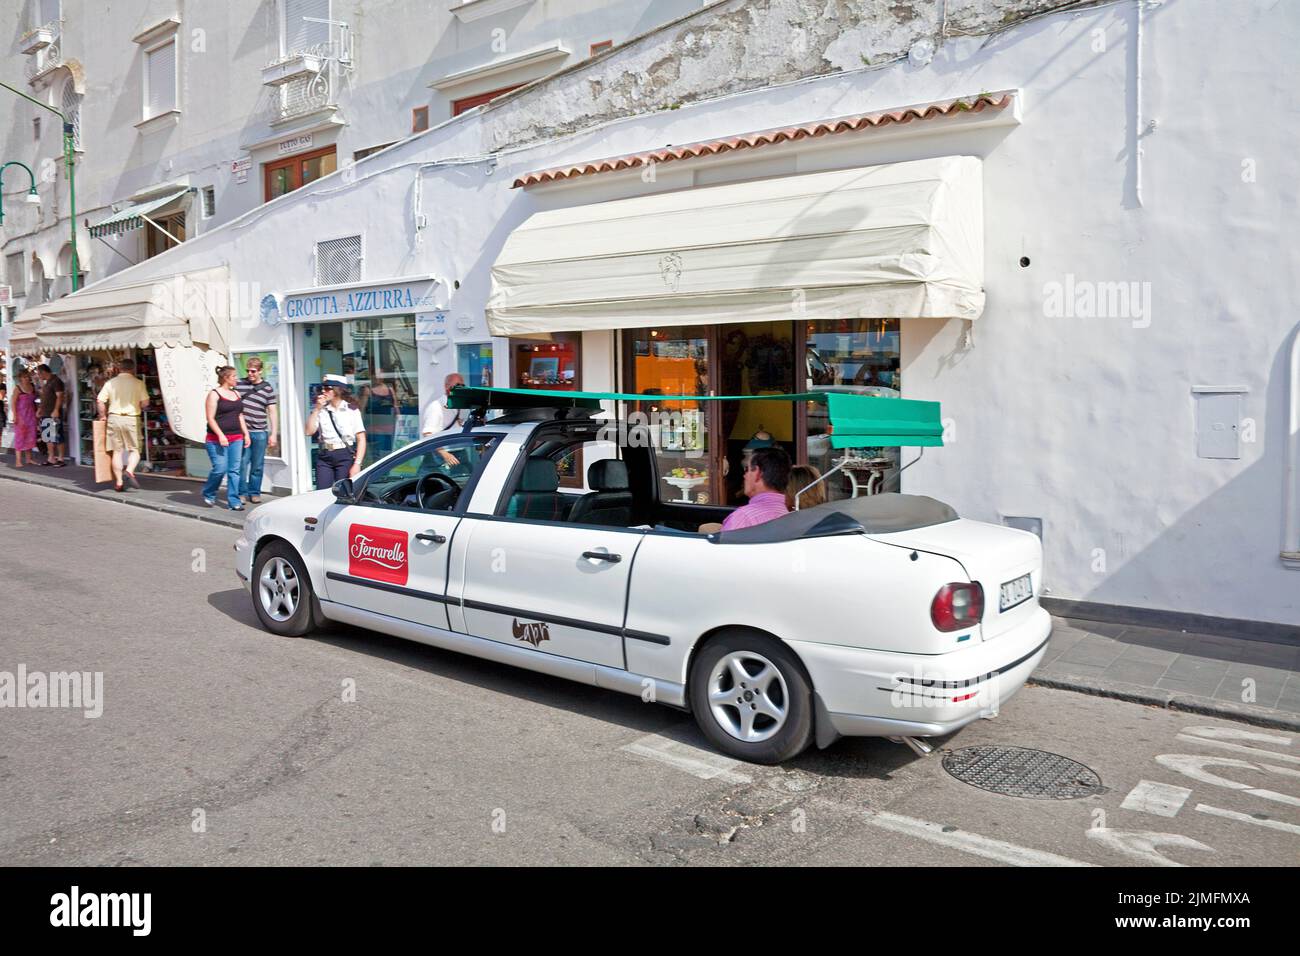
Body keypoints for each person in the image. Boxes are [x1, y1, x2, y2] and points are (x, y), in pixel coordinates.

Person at [96, 358, 149, 492]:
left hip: (114, 418)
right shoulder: (138, 383)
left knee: (117, 452)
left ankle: (119, 482)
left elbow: (100, 401)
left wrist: (103, 416)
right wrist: (138, 404)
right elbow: (145, 403)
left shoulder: (110, 383)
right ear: (132, 369)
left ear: (120, 369)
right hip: (132, 418)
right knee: (135, 449)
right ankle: (130, 471)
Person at [202, 365, 250, 510]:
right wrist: (221, 435)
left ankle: (234, 501)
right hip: (215, 439)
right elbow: (210, 418)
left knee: (234, 470)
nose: (237, 379)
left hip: (236, 437)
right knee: (220, 468)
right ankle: (209, 493)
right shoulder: (214, 394)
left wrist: (246, 434)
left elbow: (240, 415)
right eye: (234, 376)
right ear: (225, 378)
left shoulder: (237, 394)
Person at [306, 374, 367, 488]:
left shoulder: (351, 409)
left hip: (344, 454)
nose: (323, 391)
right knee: (321, 492)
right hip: (324, 454)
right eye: (322, 388)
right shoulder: (321, 409)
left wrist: (357, 464)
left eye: (327, 388)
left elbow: (361, 439)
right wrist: (316, 409)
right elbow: (308, 432)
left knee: (343, 492)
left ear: (337, 390)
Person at [235, 357, 278, 505]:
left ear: (260, 371)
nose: (250, 374)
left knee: (257, 465)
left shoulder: (267, 388)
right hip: (242, 432)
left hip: (260, 432)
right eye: (248, 370)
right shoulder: (239, 384)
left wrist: (273, 433)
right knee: (242, 464)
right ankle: (241, 493)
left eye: (253, 371)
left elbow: (272, 411)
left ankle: (254, 492)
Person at [719, 445, 792, 532]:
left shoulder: (743, 519)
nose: (744, 475)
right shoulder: (791, 518)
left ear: (758, 473)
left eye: (747, 469)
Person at [35, 364, 67, 467]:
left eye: (39, 373)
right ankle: (51, 458)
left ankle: (61, 458)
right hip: (46, 413)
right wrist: (40, 409)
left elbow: (60, 396)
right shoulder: (47, 382)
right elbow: (45, 397)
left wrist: (56, 410)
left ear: (43, 372)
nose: (38, 376)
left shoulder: (56, 381)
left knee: (57, 436)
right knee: (48, 437)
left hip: (53, 413)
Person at [420, 372, 466, 438]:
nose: (461, 388)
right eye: (457, 385)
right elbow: (428, 433)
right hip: (446, 447)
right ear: (446, 386)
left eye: (463, 386)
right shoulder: (436, 407)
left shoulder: (458, 406)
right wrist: (442, 449)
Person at [11, 370, 38, 468]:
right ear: (20, 378)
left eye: (27, 377)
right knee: (20, 437)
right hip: (21, 415)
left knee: (31, 436)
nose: (26, 378)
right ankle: (18, 461)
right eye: (24, 377)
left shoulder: (32, 387)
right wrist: (15, 415)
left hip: (31, 415)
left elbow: (35, 401)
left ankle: (29, 458)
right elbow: (13, 402)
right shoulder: (18, 388)